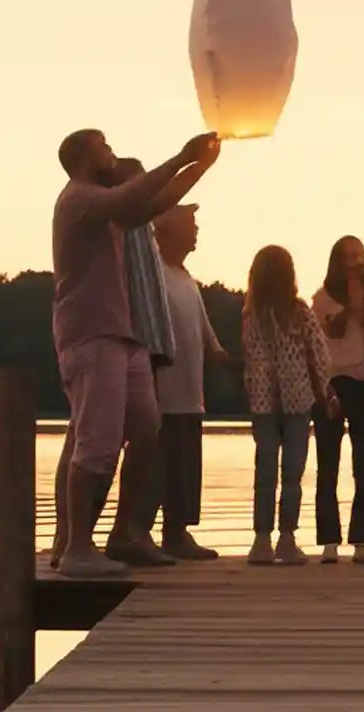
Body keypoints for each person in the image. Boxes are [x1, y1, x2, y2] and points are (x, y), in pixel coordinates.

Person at [50, 128, 217, 578]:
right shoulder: (79, 200)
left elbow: (155, 204)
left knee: (147, 433)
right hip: (92, 335)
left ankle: (125, 532)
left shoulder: (110, 212)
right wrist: (181, 153)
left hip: (126, 337)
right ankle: (76, 548)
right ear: (85, 156)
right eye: (104, 145)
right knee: (97, 444)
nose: (112, 150)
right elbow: (137, 192)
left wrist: (199, 166)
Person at [241, 245, 335, 565]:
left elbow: (253, 359)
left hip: (266, 401)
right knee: (291, 473)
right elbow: (320, 354)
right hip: (293, 400)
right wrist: (324, 391)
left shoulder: (254, 314)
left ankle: (264, 540)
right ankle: (284, 538)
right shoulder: (296, 311)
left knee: (266, 471)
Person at [151, 204, 228, 560]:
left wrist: (220, 353)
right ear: (166, 229)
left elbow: (203, 328)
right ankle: (143, 530)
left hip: (189, 391)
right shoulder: (154, 272)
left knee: (184, 465)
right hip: (160, 390)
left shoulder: (184, 275)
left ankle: (176, 532)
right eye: (190, 223)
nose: (196, 230)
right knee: (158, 462)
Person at [310, 235, 364, 564]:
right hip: (331, 383)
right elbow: (334, 331)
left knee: (363, 466)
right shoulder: (321, 299)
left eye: (360, 255)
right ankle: (329, 540)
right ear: (336, 262)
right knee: (328, 464)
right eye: (349, 256)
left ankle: (361, 539)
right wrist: (352, 303)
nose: (356, 262)